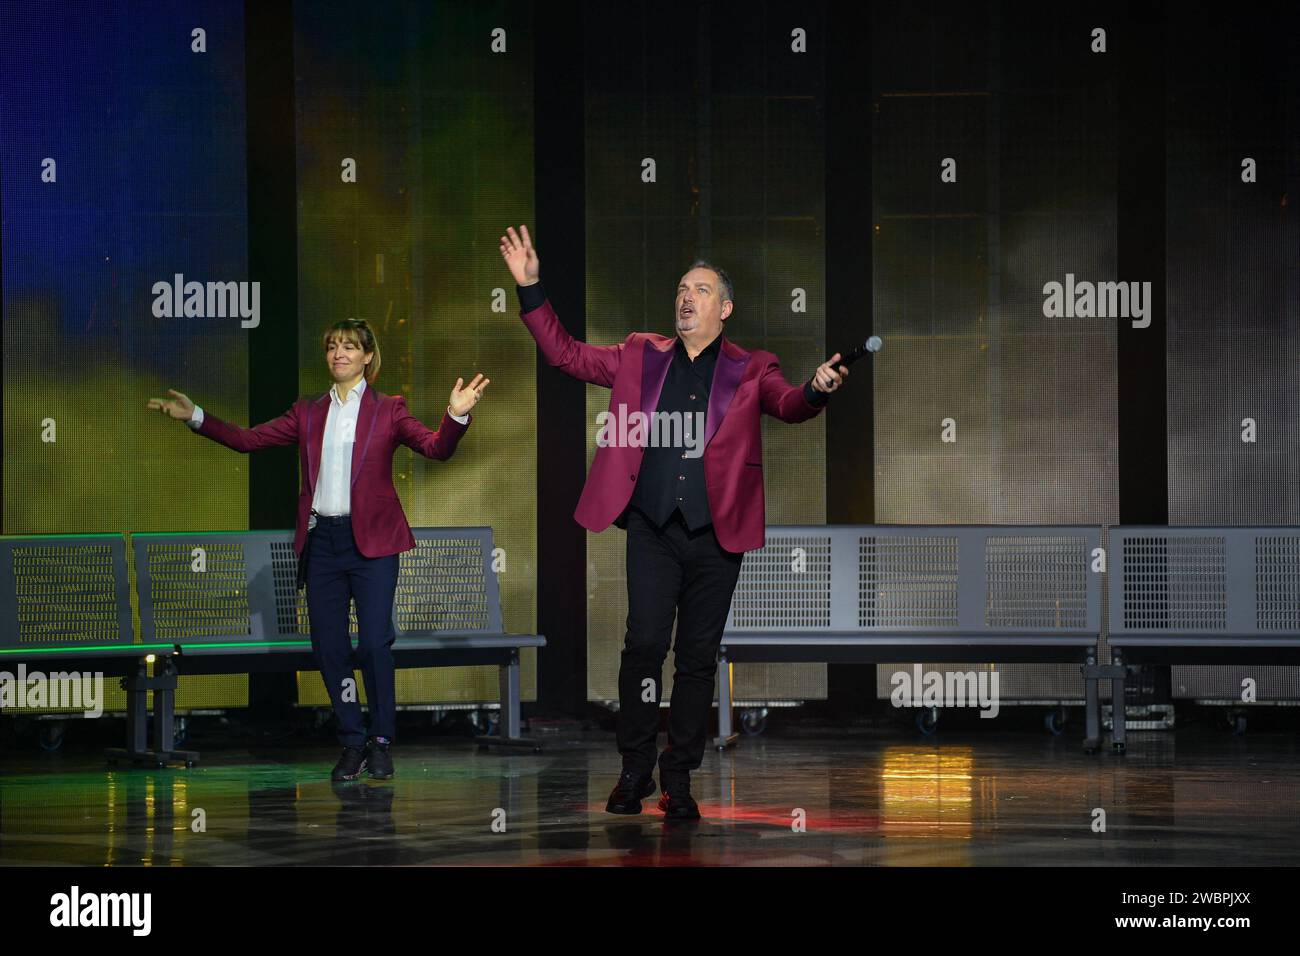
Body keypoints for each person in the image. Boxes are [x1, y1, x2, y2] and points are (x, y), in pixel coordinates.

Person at [499, 225, 848, 820]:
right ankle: (634, 767)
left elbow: (789, 406)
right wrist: (531, 288)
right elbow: (567, 355)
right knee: (643, 646)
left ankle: (678, 776)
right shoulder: (641, 353)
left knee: (696, 658)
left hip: (717, 537)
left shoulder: (752, 366)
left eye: (702, 289)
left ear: (725, 307)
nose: (687, 296)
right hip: (653, 530)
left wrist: (816, 390)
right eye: (683, 288)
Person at [147, 320, 489, 781]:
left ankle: (381, 740)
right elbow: (250, 440)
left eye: (349, 347)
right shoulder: (308, 412)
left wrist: (456, 415)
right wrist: (196, 416)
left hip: (373, 544)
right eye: (332, 347)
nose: (339, 354)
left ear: (368, 356)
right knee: (328, 648)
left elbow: (435, 448)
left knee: (372, 644)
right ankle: (351, 739)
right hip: (323, 543)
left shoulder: (389, 409)